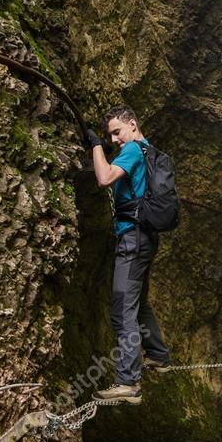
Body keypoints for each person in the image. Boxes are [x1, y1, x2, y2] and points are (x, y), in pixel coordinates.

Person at [83, 107, 171, 404]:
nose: (114, 139)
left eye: (116, 132)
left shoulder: (133, 149)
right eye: (109, 135)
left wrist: (96, 146)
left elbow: (105, 178)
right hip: (146, 238)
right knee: (139, 303)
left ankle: (128, 382)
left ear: (132, 125)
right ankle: (158, 355)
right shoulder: (149, 151)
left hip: (133, 240)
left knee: (123, 310)